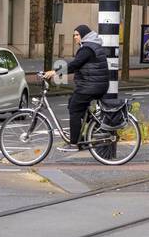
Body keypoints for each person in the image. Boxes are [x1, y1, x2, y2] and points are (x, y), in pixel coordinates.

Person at [42, 23, 107, 152]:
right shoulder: (93, 46)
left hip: (91, 86)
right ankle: (86, 132)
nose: (75, 37)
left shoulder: (87, 49)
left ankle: (74, 143)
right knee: (73, 102)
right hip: (95, 85)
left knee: (74, 109)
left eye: (77, 35)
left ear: (84, 35)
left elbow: (75, 64)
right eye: (74, 35)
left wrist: (55, 72)